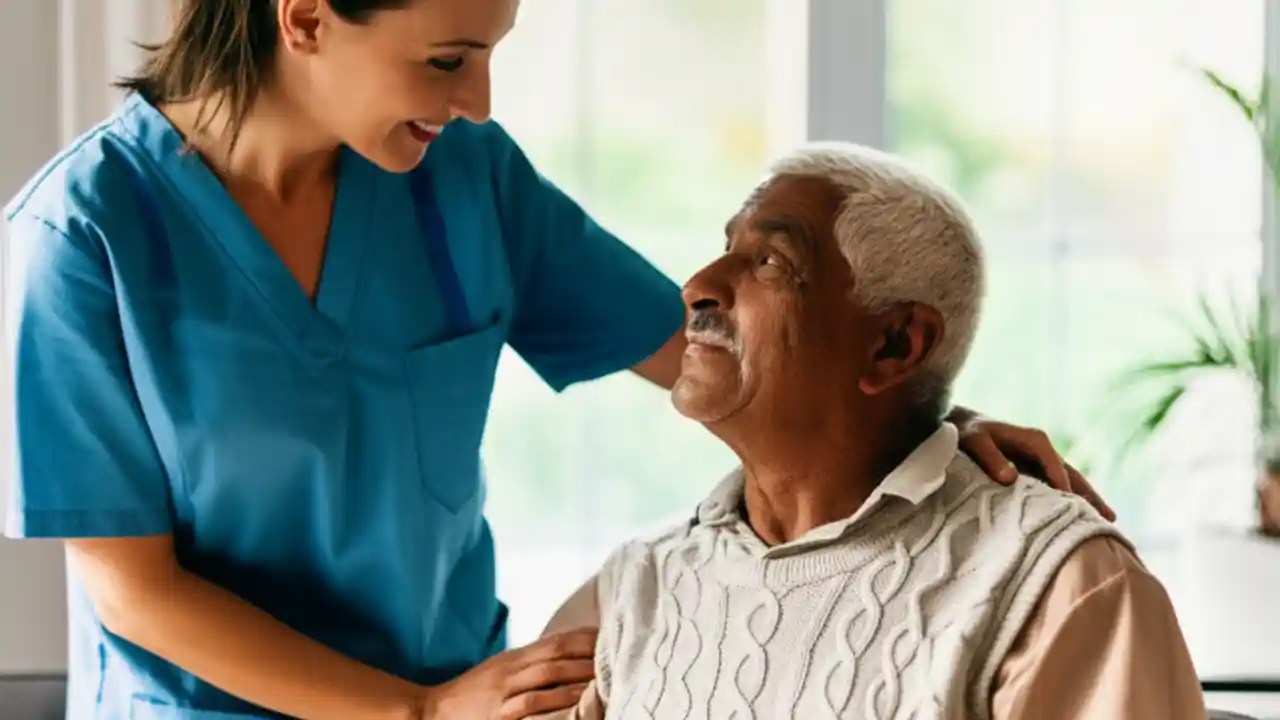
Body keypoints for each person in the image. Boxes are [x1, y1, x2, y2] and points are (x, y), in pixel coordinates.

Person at [3, 1, 1105, 718]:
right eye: (446, 60)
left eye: (490, 54)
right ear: (303, 19)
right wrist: (418, 713)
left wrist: (929, 420)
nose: (478, 100)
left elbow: (725, 361)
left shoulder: (465, 179)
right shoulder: (83, 238)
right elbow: (131, 592)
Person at [538, 143, 1204, 720]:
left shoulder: (1060, 584)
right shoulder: (637, 587)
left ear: (894, 345)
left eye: (771, 261)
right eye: (725, 250)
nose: (698, 286)